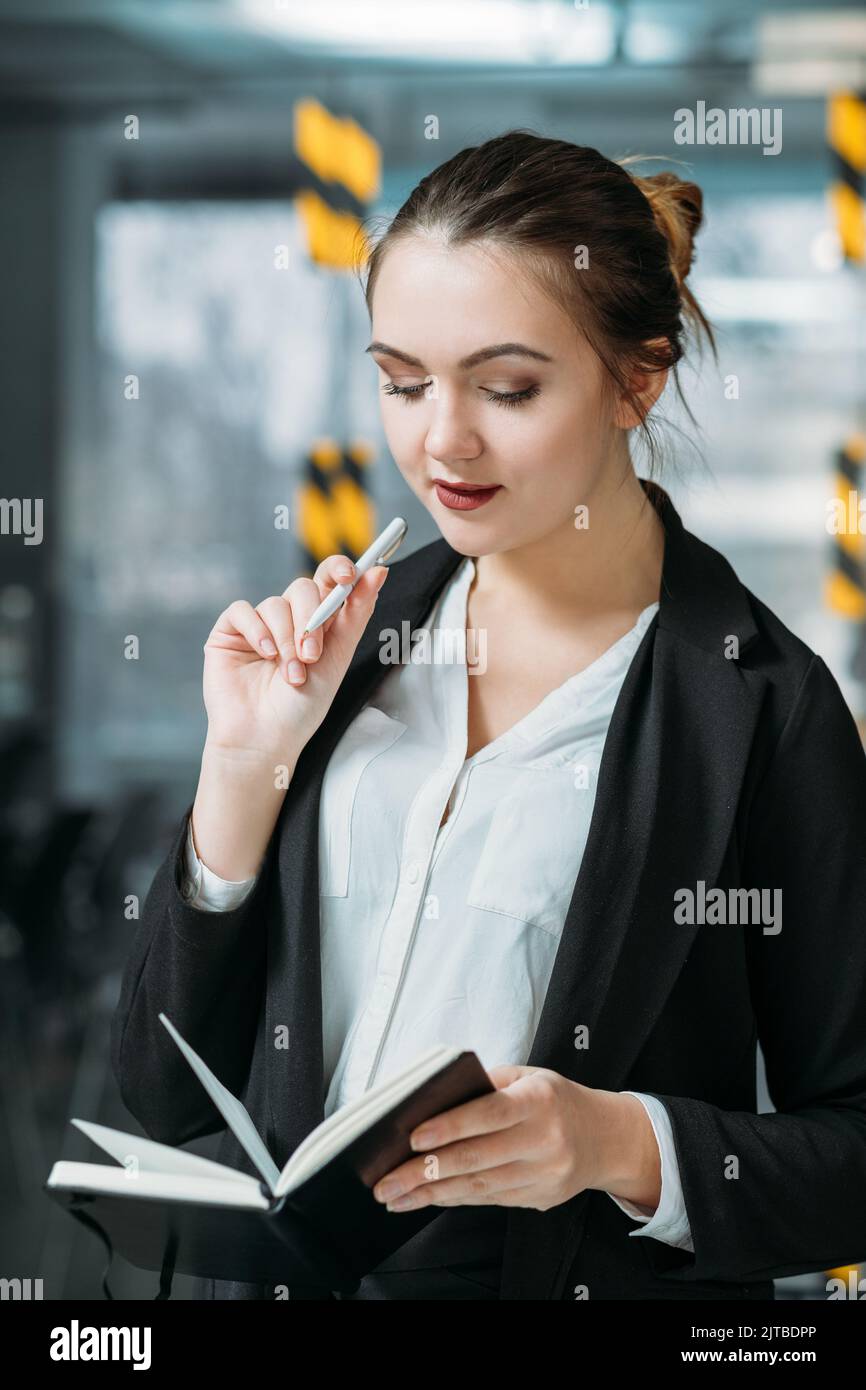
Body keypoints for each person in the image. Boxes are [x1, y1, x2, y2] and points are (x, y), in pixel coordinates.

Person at [111, 131, 866, 1301]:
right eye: (403, 381)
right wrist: (243, 769)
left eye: (506, 387)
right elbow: (158, 1089)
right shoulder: (344, 653)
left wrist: (615, 1143)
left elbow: (850, 1152)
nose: (440, 440)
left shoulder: (764, 707)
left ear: (638, 378)